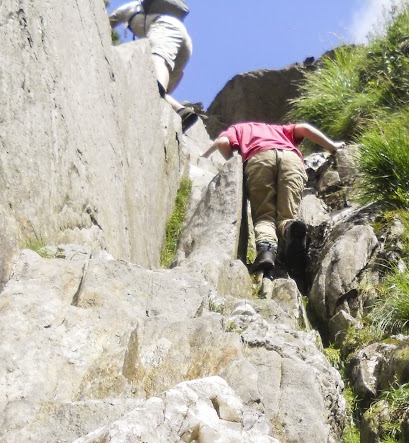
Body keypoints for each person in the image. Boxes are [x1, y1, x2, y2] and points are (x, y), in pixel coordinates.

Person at [202, 122, 344, 274]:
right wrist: (332, 147)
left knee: (264, 216)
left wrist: (231, 164)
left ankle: (267, 251)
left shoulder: (239, 128)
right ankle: (290, 228)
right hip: (291, 159)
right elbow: (304, 128)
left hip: (259, 159)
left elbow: (222, 142)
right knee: (287, 215)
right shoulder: (279, 130)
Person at [109, 2, 194, 120]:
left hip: (165, 27)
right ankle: (180, 111)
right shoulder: (156, 11)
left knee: (157, 58)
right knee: (154, 84)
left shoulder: (135, 6)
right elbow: (180, 74)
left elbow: (109, 21)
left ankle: (157, 92)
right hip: (185, 42)